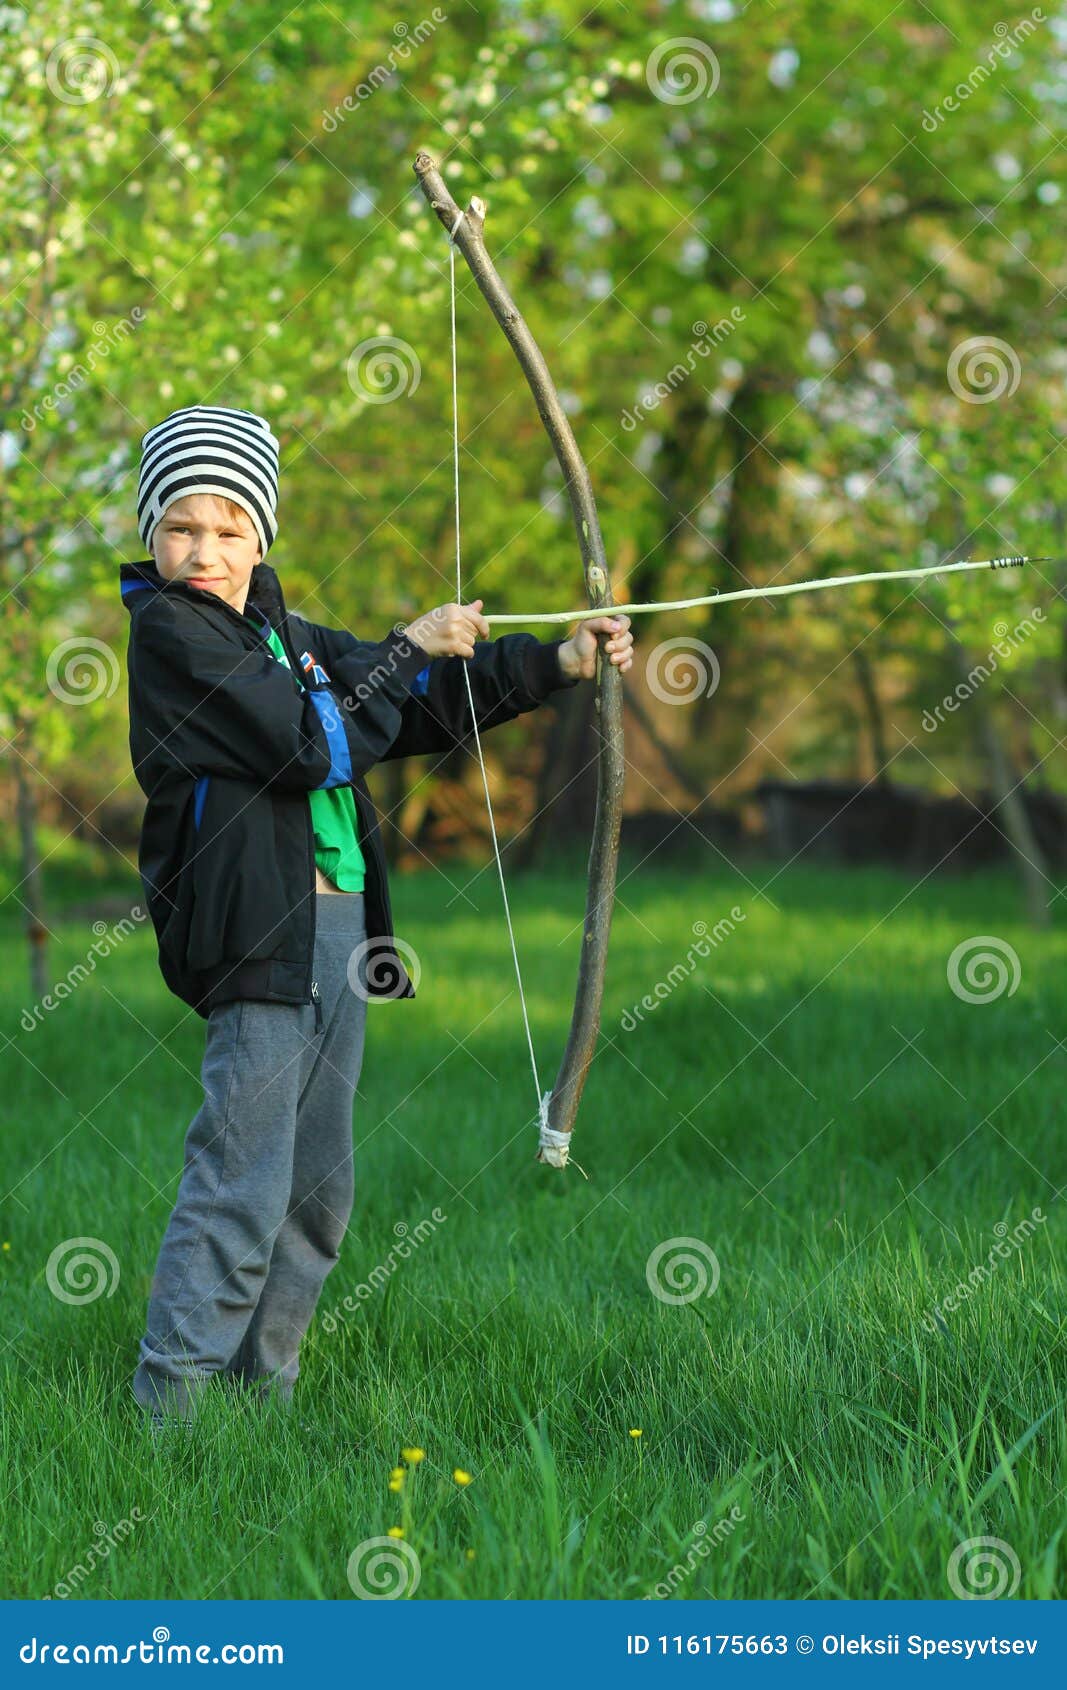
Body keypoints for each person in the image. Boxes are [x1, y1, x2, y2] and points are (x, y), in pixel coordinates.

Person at [120, 403, 633, 1426]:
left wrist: (555, 663)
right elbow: (311, 745)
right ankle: (166, 1415)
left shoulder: (292, 641)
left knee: (316, 1193)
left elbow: (422, 706)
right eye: (181, 526)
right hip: (253, 940)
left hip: (338, 936)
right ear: (149, 534)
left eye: (228, 528)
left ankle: (260, 1400)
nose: (204, 550)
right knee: (240, 1182)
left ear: (261, 535)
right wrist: (404, 646)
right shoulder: (171, 634)